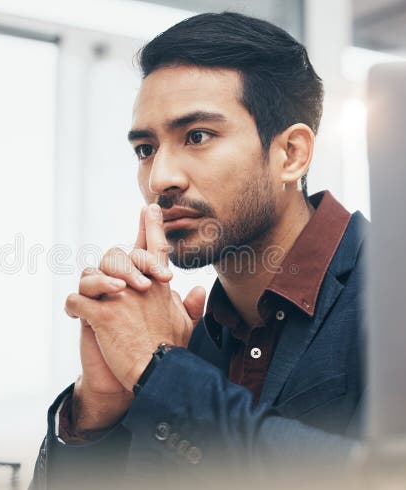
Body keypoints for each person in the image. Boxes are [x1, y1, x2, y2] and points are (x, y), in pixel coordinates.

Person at [30, 11, 367, 490]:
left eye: (197, 136)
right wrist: (97, 412)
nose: (160, 178)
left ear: (291, 154)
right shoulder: (187, 339)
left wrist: (158, 370)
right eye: (146, 149)